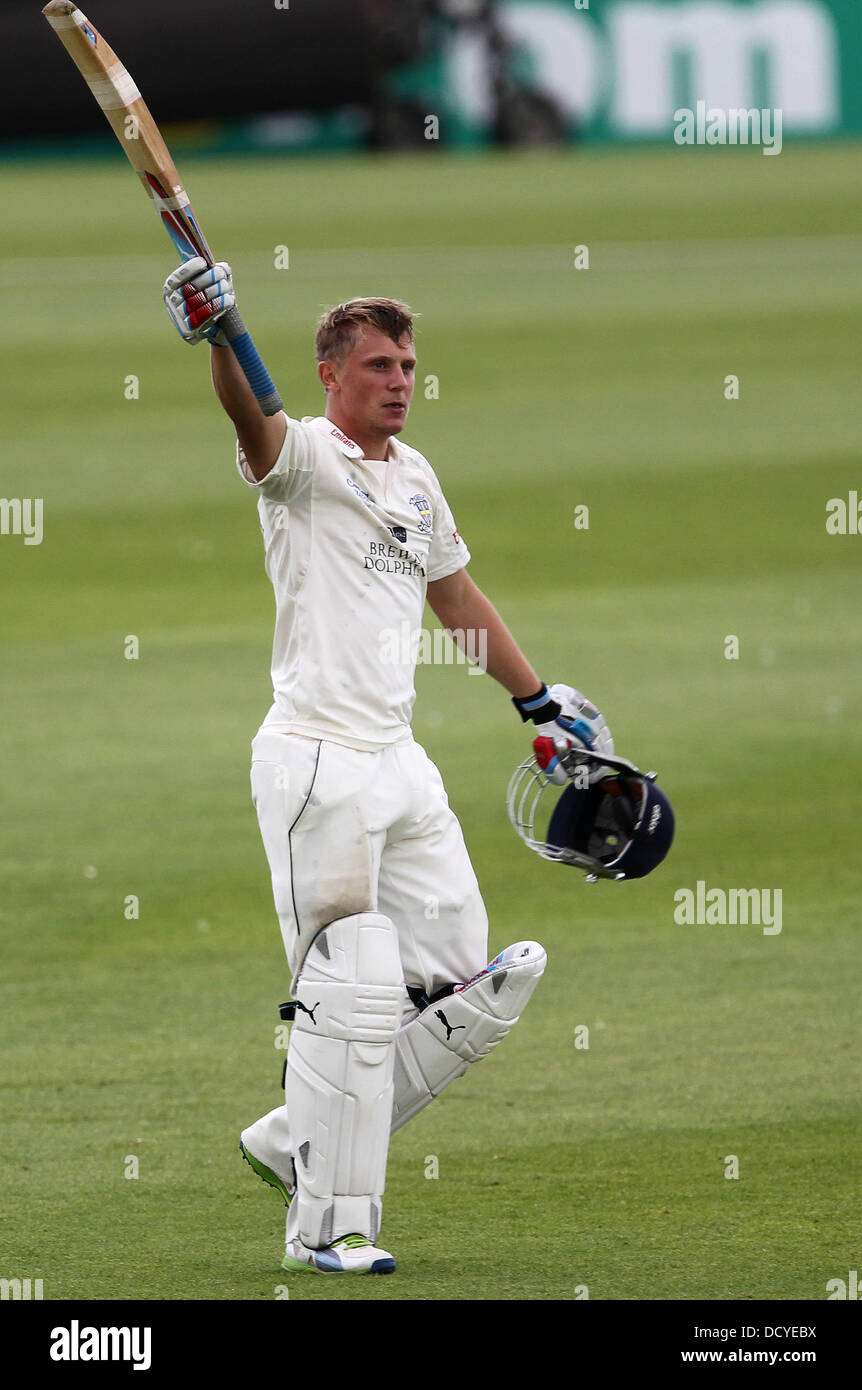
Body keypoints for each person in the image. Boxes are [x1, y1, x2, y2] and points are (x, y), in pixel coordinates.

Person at [162, 259, 613, 1275]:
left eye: (406, 363)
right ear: (330, 374)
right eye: (376, 363)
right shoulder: (305, 458)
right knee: (354, 986)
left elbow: (455, 602)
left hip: (399, 761)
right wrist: (219, 337)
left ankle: (292, 1138)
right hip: (315, 760)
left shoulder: (413, 475)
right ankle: (330, 1226)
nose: (399, 379)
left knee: (475, 980)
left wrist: (534, 701)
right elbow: (254, 424)